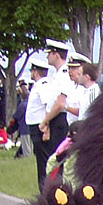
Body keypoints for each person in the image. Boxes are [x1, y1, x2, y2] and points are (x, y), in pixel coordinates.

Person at [37, 40, 73, 189]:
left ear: (56, 54)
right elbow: (51, 103)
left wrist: (45, 121)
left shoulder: (64, 74)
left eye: (49, 54)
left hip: (60, 120)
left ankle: (59, 193)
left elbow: (60, 104)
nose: (47, 58)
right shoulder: (57, 75)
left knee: (59, 160)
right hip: (54, 121)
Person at [24, 56, 53, 187]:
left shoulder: (43, 85)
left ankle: (45, 189)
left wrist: (46, 126)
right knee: (40, 160)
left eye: (32, 71)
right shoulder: (38, 85)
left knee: (43, 161)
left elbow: (48, 105)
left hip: (40, 127)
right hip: (36, 126)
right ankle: (43, 187)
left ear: (35, 72)